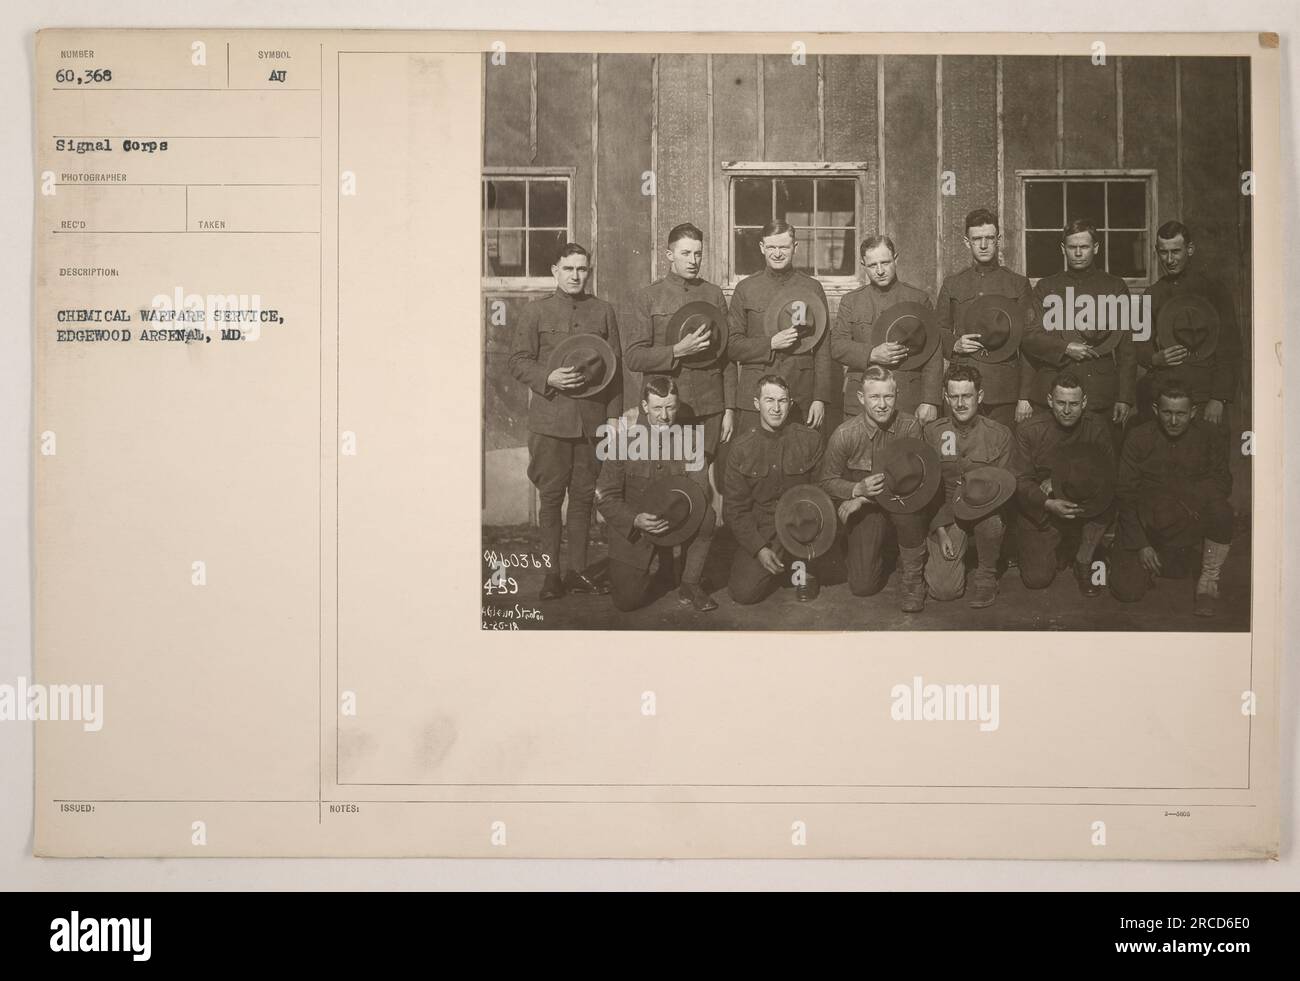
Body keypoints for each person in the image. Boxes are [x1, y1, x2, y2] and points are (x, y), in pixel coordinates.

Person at [508, 243, 620, 600]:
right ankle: (551, 574)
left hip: (591, 422)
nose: (575, 276)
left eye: (582, 269)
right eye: (568, 268)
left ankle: (577, 571)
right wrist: (547, 378)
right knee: (552, 497)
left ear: (589, 272)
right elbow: (518, 361)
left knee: (584, 497)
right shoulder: (535, 313)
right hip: (550, 421)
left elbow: (615, 372)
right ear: (554, 271)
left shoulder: (603, 311)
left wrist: (614, 419)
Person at [594, 376, 717, 612]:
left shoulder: (690, 441)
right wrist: (634, 519)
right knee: (627, 602)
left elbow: (700, 492)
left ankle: (689, 583)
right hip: (635, 528)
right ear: (644, 407)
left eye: (670, 407)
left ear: (678, 406)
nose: (664, 415)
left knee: (708, 517)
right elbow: (604, 496)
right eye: (657, 408)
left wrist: (677, 515)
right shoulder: (623, 442)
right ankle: (662, 564)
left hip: (675, 520)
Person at [1111, 383, 1233, 617]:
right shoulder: (1138, 437)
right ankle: (1159, 554)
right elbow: (1125, 494)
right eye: (1167, 412)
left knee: (1222, 511)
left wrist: (1184, 499)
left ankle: (1208, 582)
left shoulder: (1209, 436)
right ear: (1156, 410)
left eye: (1181, 414)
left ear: (1193, 412)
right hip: (1146, 521)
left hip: (1187, 515)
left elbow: (1222, 483)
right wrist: (1141, 544)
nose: (1174, 421)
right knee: (1126, 590)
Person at [818, 366, 932, 612]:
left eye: (888, 396)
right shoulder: (845, 434)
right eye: (874, 397)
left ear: (897, 395)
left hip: (902, 503)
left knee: (909, 512)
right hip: (870, 511)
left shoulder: (910, 426)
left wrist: (863, 499)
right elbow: (826, 481)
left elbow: (920, 483)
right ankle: (875, 548)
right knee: (862, 586)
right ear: (861, 398)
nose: (882, 404)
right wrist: (856, 488)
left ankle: (913, 579)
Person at [621, 222, 735, 461]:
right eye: (686, 253)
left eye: (698, 254)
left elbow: (727, 358)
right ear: (669, 255)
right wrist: (676, 350)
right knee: (663, 480)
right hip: (665, 407)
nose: (693, 260)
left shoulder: (713, 294)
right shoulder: (649, 297)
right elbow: (633, 357)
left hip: (709, 407)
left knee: (701, 480)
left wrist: (729, 409)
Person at [1021, 219, 1136, 447]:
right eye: (1072, 247)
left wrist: (1125, 397)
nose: (1078, 253)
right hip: (1055, 389)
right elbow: (1030, 336)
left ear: (1096, 248)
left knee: (1100, 461)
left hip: (1100, 394)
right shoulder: (1046, 287)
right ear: (1063, 249)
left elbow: (1127, 348)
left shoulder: (1114, 287)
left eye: (1084, 247)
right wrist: (1064, 348)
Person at [922, 364, 1027, 608]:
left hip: (986, 510)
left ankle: (987, 575)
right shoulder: (932, 432)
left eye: (967, 396)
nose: (960, 403)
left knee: (991, 520)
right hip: (947, 513)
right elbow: (927, 492)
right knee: (943, 590)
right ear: (946, 398)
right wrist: (940, 530)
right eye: (954, 397)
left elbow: (1006, 489)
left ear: (979, 396)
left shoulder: (999, 434)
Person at [723, 374, 826, 605]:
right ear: (757, 404)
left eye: (782, 401)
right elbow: (735, 509)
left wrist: (811, 531)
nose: (776, 408)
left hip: (802, 523)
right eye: (769, 401)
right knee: (743, 593)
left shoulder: (810, 440)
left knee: (802, 587)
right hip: (764, 527)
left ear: (790, 404)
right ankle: (777, 562)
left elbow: (822, 492)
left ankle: (805, 568)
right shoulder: (741, 448)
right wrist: (758, 548)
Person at [726, 220, 835, 436]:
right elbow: (732, 345)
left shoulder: (812, 288)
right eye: (771, 247)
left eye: (783, 247)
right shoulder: (746, 288)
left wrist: (819, 398)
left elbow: (823, 349)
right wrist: (770, 344)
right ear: (761, 247)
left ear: (795, 248)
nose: (777, 253)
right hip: (755, 397)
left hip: (799, 394)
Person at [1013, 369, 1116, 595]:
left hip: (1084, 505)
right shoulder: (1029, 430)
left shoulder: (1097, 427)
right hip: (1044, 509)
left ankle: (1084, 557)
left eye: (1074, 403)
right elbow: (1020, 480)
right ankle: (1061, 544)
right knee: (1036, 579)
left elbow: (1109, 475)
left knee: (1110, 502)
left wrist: (1059, 480)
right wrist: (1047, 503)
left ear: (1084, 402)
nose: (1067, 411)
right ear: (1050, 400)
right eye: (1060, 403)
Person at [1135, 220, 1242, 430]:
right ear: (1157, 251)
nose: (1169, 259)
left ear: (1190, 249)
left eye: (1176, 251)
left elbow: (1230, 347)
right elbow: (1138, 343)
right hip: (1166, 397)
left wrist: (1219, 398)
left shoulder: (1213, 290)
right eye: (1163, 252)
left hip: (1204, 396)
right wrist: (1154, 358)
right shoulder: (1152, 294)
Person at [935, 208, 1034, 427]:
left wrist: (1024, 396)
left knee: (1002, 450)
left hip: (1003, 390)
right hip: (962, 386)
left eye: (989, 238)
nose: (983, 245)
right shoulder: (953, 284)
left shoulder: (1017, 284)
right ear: (966, 241)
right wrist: (955, 345)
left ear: (998, 239)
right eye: (976, 239)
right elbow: (938, 330)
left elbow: (1029, 343)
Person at [830, 235, 940, 423]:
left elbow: (934, 353)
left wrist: (930, 400)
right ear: (863, 265)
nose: (880, 271)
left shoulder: (918, 299)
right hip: (861, 403)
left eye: (885, 262)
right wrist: (871, 354)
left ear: (896, 260)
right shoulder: (851, 301)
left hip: (906, 401)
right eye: (872, 265)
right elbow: (837, 346)